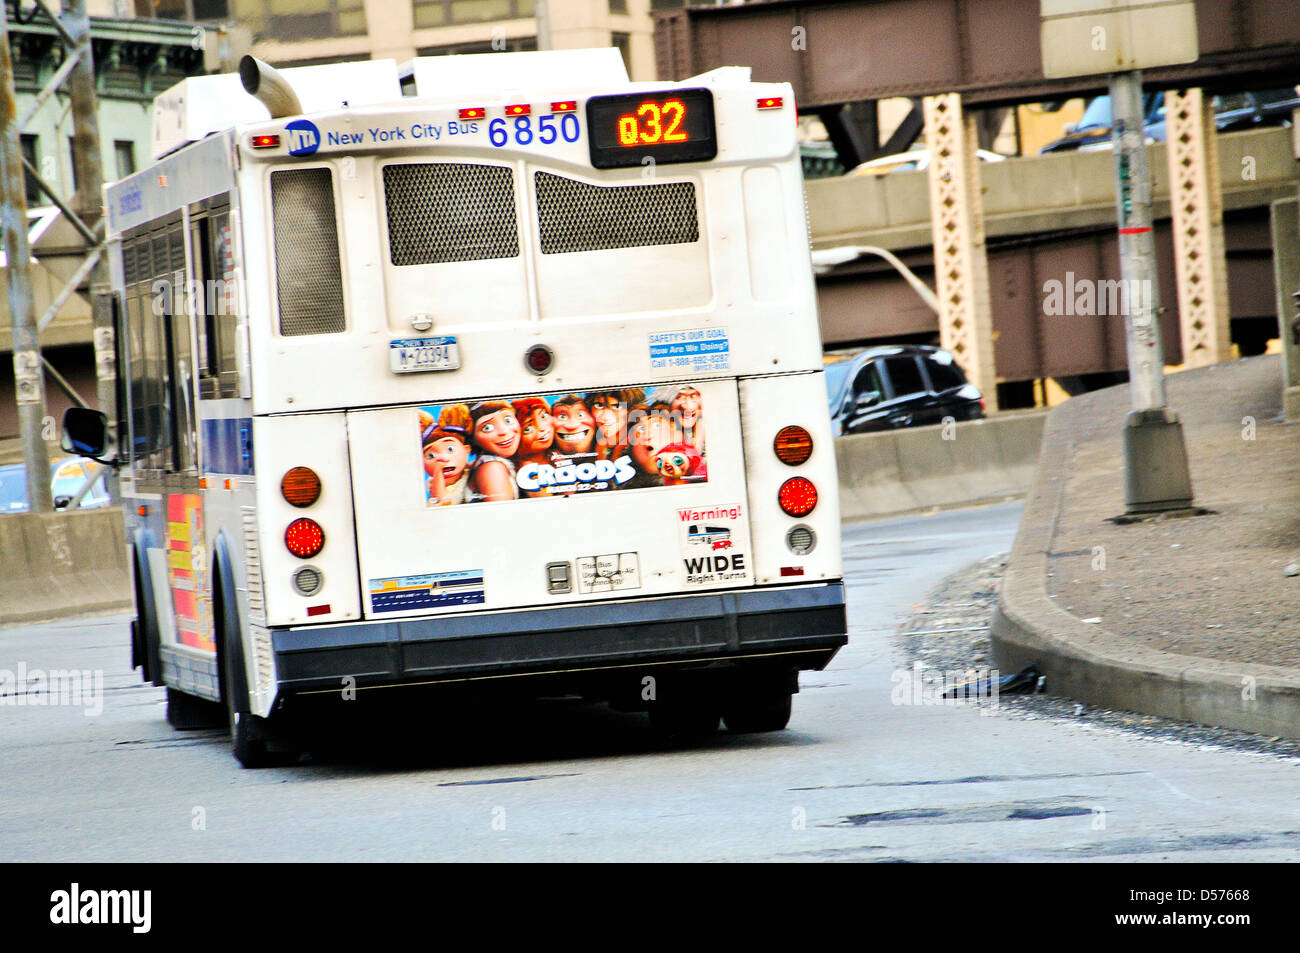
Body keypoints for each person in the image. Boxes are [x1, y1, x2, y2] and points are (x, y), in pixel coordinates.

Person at [420, 404, 473, 505]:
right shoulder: (433, 483)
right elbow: (439, 500)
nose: (442, 459)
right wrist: (438, 473)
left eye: (450, 449)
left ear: (466, 449)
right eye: (431, 456)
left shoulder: (470, 471)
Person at [468, 401, 521, 501]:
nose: (504, 431)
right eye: (487, 428)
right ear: (472, 438)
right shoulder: (492, 468)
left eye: (508, 420)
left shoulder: (492, 462)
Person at [511, 396, 556, 498]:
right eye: (528, 428)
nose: (542, 428)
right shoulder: (527, 470)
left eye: (544, 416)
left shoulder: (553, 453)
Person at [587, 387, 644, 461]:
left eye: (617, 407)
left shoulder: (640, 443)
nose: (605, 417)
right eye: (599, 405)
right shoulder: (590, 441)